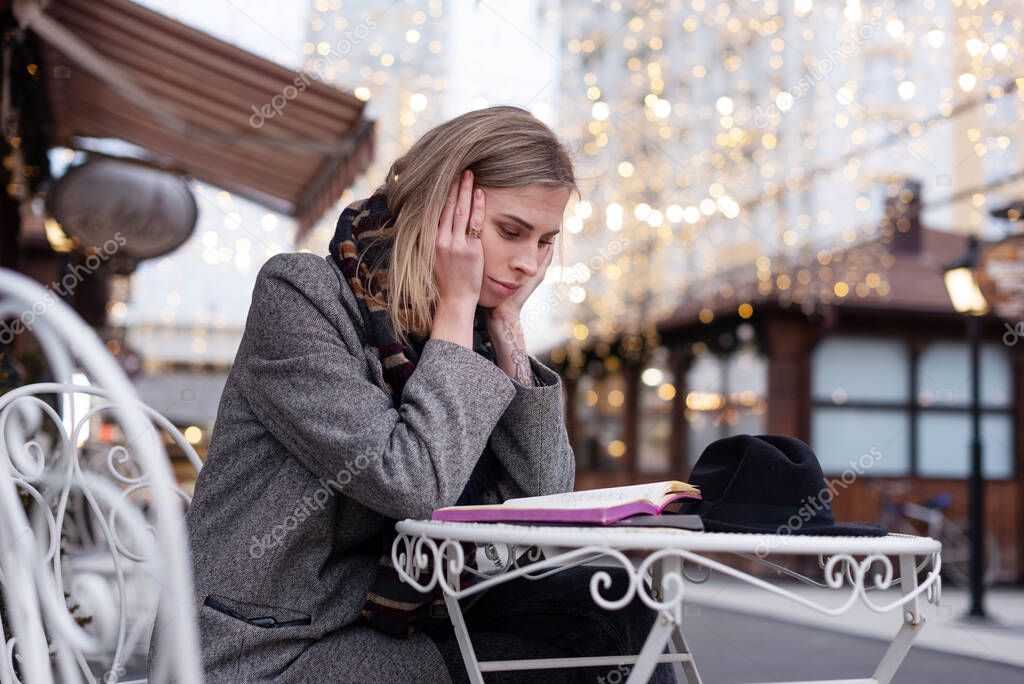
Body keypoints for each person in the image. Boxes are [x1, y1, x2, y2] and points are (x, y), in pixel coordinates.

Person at [148, 106, 675, 683]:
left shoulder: (464, 340)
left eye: (547, 241)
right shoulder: (301, 296)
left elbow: (542, 504)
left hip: (386, 620)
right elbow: (413, 483)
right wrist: (455, 308)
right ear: (439, 212)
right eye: (511, 231)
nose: (529, 262)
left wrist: (508, 334)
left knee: (618, 602)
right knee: (563, 665)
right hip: (263, 652)